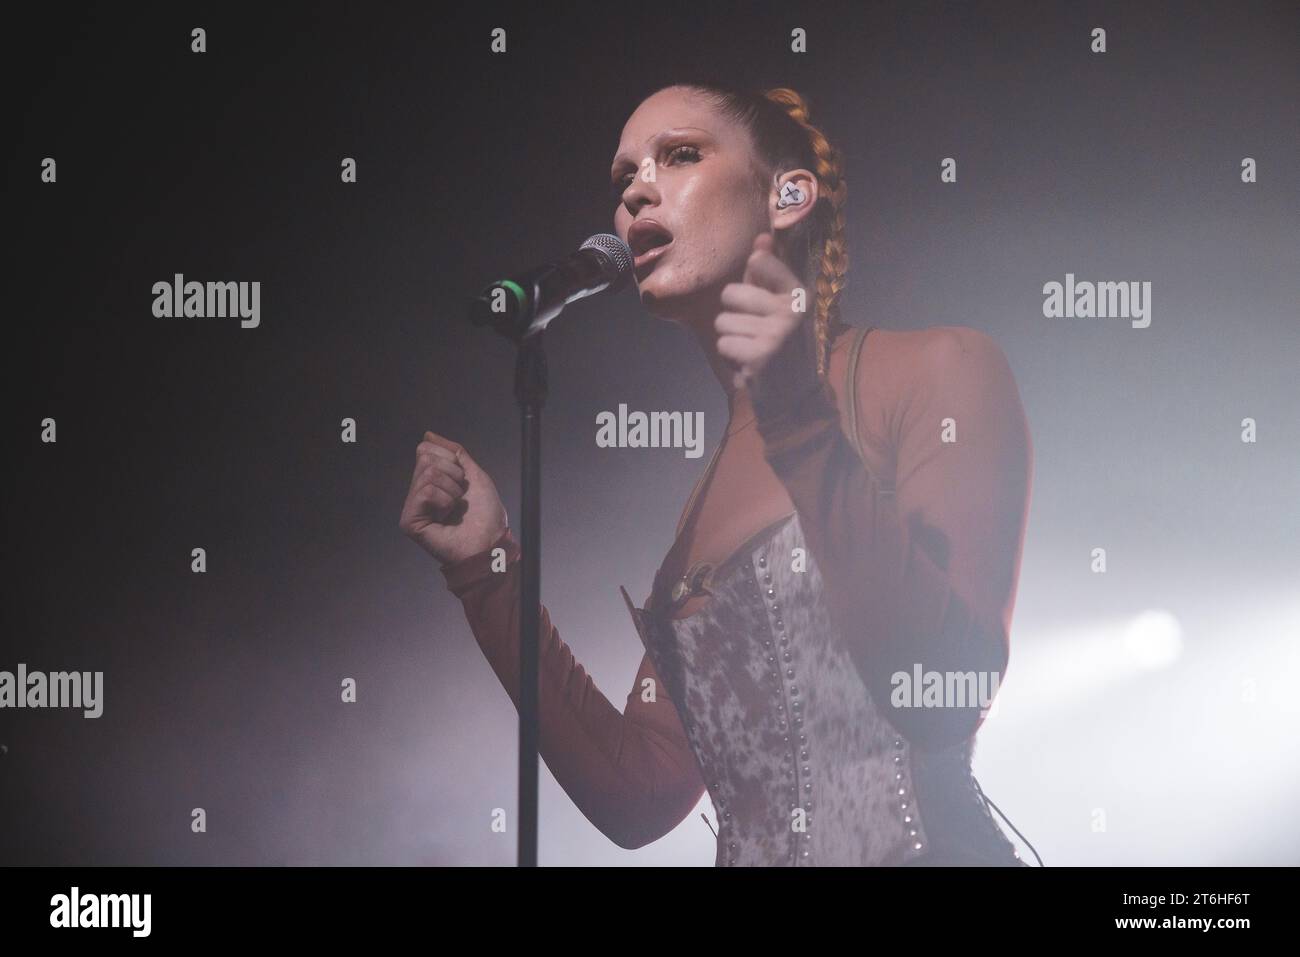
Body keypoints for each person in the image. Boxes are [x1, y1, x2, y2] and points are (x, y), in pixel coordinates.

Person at [399, 80, 1034, 866]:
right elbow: (640, 792)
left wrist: (799, 417)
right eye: (622, 177)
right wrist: (487, 573)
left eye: (680, 155)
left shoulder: (937, 371)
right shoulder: (694, 521)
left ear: (789, 194)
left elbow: (947, 693)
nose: (635, 190)